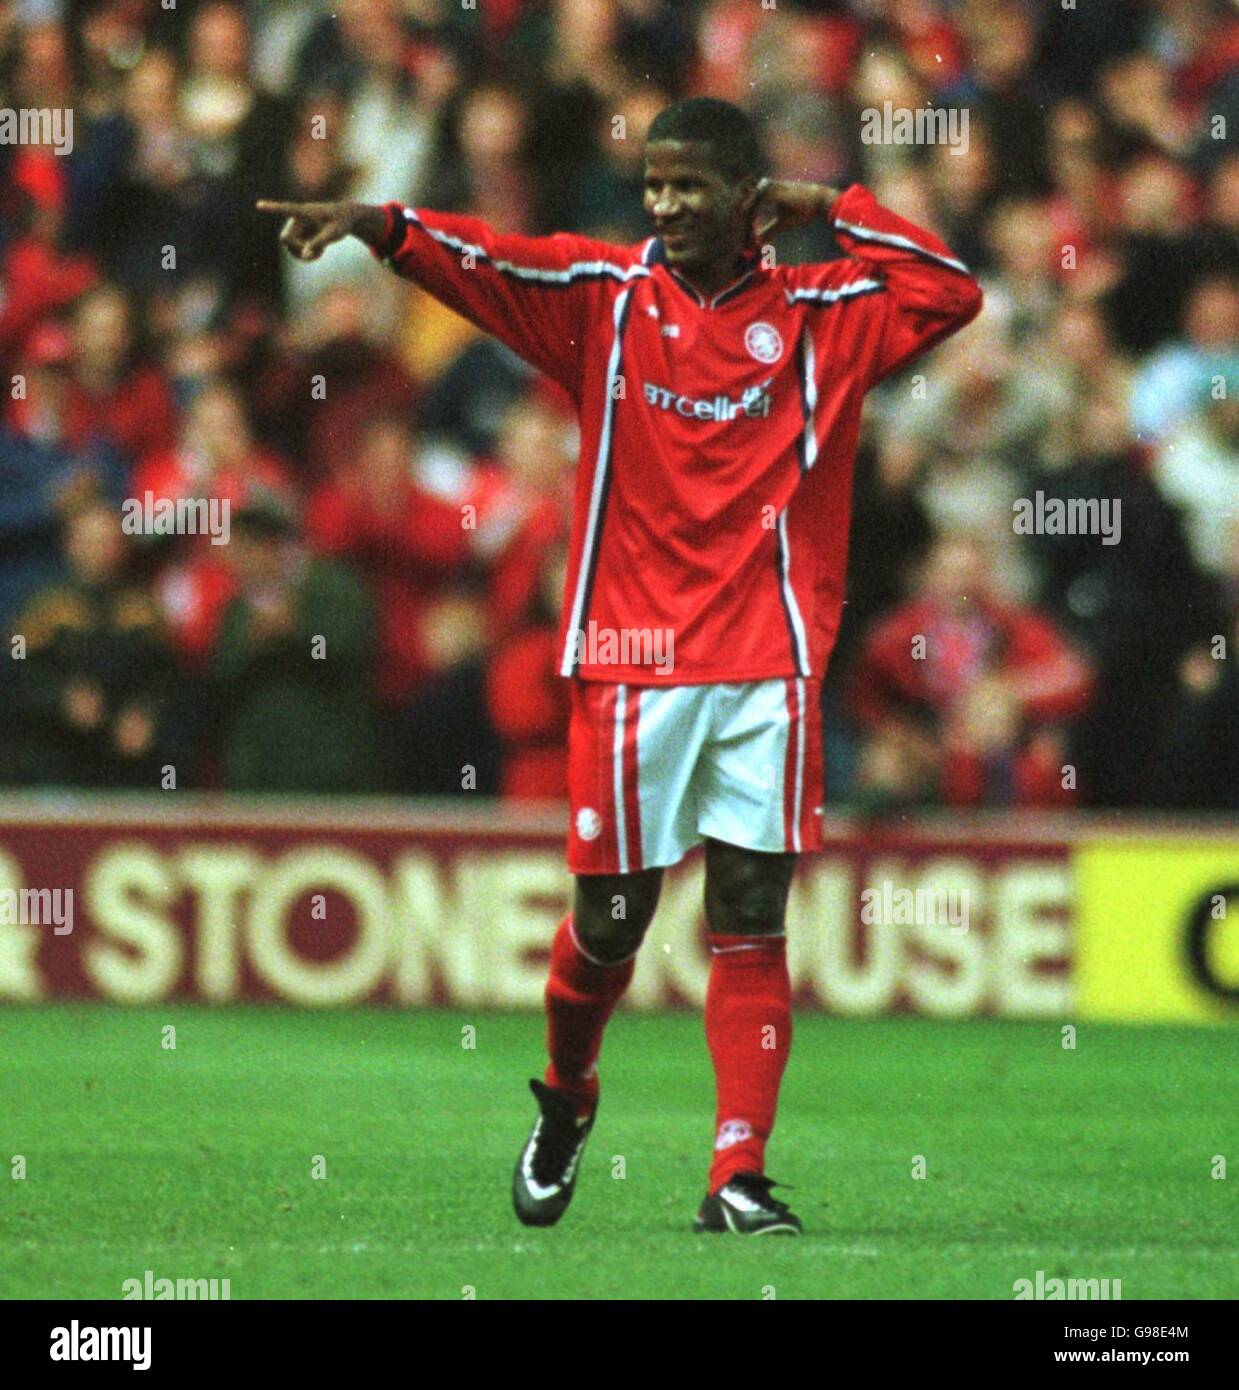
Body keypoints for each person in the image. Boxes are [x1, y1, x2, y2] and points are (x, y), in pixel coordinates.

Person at [257, 95, 982, 1235]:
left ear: (749, 200)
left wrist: (831, 203)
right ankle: (566, 1095)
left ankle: (735, 1172)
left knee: (750, 909)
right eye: (653, 184)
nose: (664, 204)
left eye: (690, 185)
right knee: (612, 922)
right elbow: (490, 262)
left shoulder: (827, 310)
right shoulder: (603, 299)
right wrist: (376, 223)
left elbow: (952, 291)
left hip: (769, 660)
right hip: (634, 660)